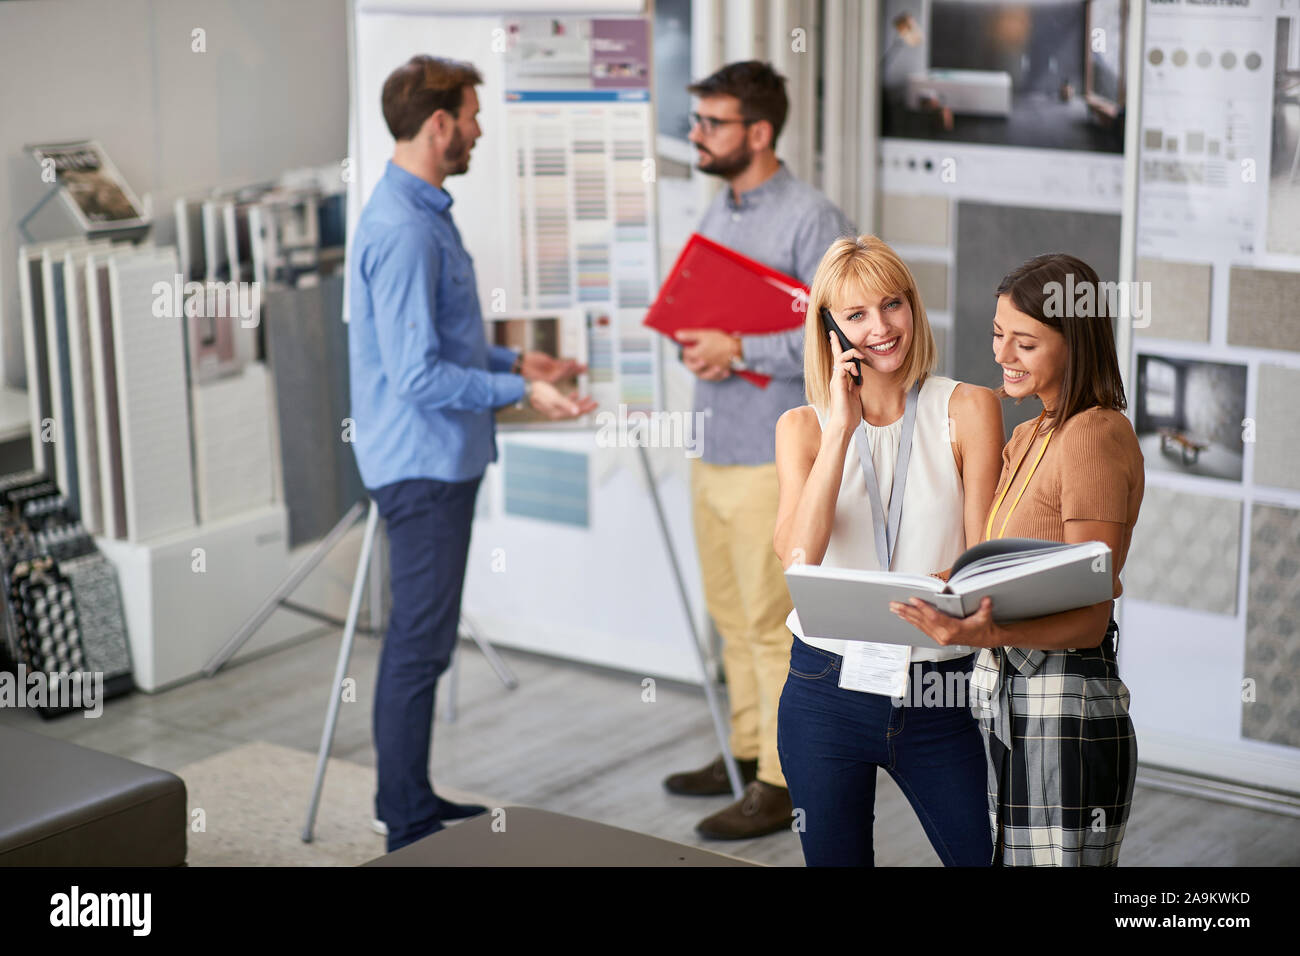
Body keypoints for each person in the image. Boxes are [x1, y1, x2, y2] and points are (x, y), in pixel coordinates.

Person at [349, 55, 595, 852]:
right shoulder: (401, 228)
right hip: (419, 464)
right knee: (418, 646)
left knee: (428, 638)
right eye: (473, 115)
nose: (481, 129)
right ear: (440, 124)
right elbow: (418, 374)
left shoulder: (423, 211)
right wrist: (521, 396)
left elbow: (445, 339)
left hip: (440, 459)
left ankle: (414, 799)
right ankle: (406, 823)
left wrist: (524, 365)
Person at [891, 252, 1143, 867]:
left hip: (1064, 706)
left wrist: (988, 629)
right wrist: (966, 579)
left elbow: (1089, 617)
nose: (1003, 354)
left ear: (1075, 343)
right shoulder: (1029, 434)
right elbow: (1024, 565)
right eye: (999, 334)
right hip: (1013, 699)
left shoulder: (1094, 435)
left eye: (1025, 342)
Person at [660, 61, 855, 840]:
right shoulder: (721, 205)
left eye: (712, 123)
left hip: (773, 456)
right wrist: (703, 345)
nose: (697, 135)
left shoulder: (813, 218)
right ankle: (745, 752)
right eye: (697, 120)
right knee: (731, 617)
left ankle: (782, 783)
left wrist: (738, 347)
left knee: (774, 625)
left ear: (760, 132)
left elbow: (836, 335)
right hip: (713, 441)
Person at [772, 235, 1005, 866]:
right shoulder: (802, 428)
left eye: (893, 304)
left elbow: (982, 560)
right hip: (824, 687)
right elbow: (799, 556)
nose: (881, 328)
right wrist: (841, 427)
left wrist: (949, 585)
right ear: (828, 329)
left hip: (937, 687)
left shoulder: (968, 409)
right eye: (856, 315)